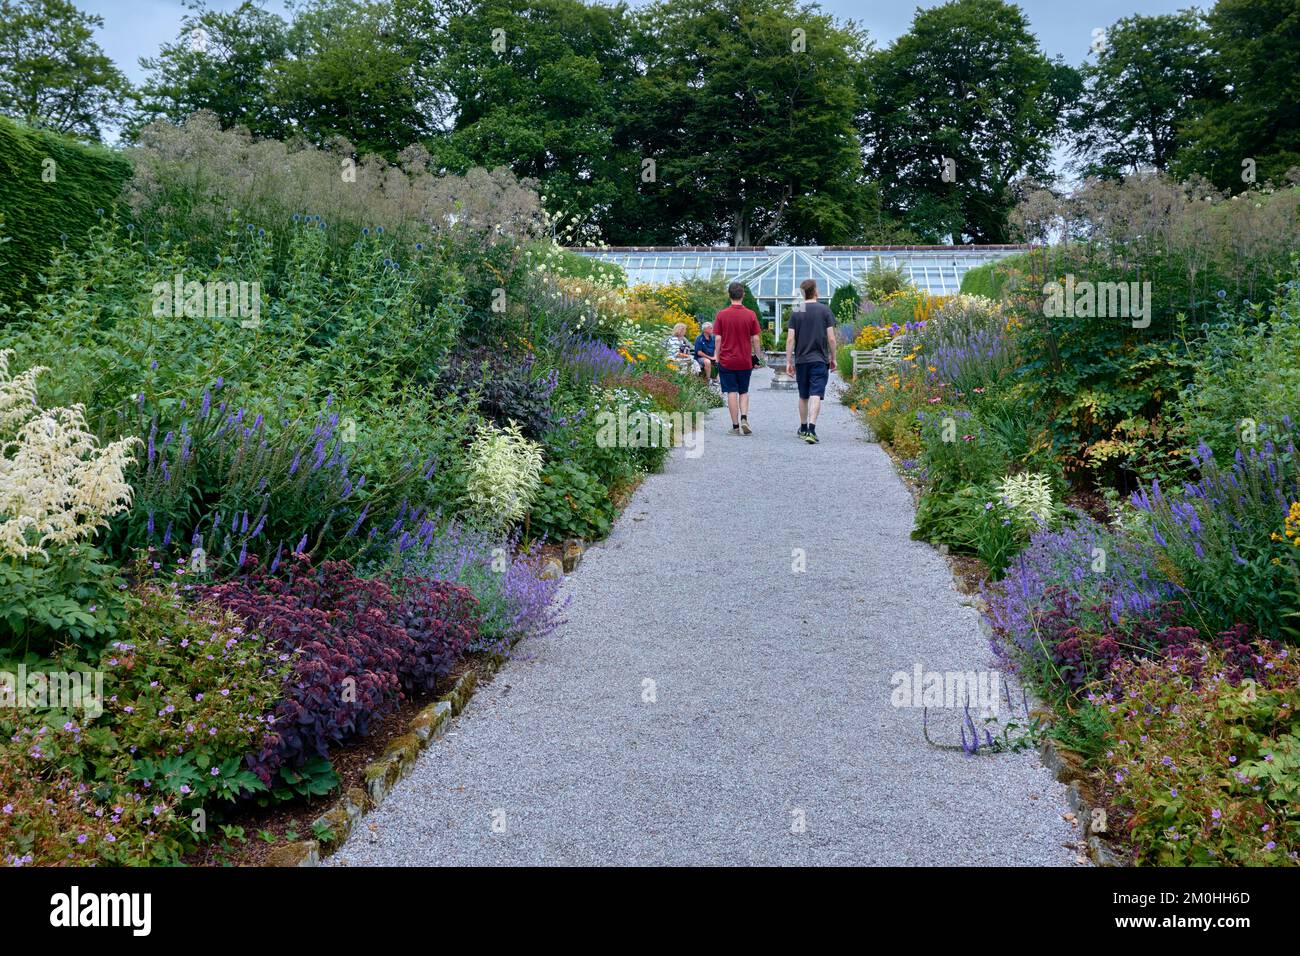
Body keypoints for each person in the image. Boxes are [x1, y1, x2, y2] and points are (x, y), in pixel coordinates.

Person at [785, 278, 837, 444]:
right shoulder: (825, 311)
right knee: (816, 393)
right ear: (815, 292)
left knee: (803, 395)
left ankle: (803, 427)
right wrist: (833, 358)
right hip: (819, 360)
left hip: (802, 360)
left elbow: (790, 339)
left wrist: (788, 362)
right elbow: (832, 338)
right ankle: (812, 430)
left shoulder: (796, 311)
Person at [714, 281, 763, 435]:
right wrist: (758, 357)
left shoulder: (722, 315)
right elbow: (755, 339)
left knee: (731, 392)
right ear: (743, 295)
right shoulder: (751, 314)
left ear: (729, 295)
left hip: (727, 360)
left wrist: (717, 355)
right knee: (744, 391)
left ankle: (735, 427)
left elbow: (717, 339)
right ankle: (744, 417)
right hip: (744, 360)